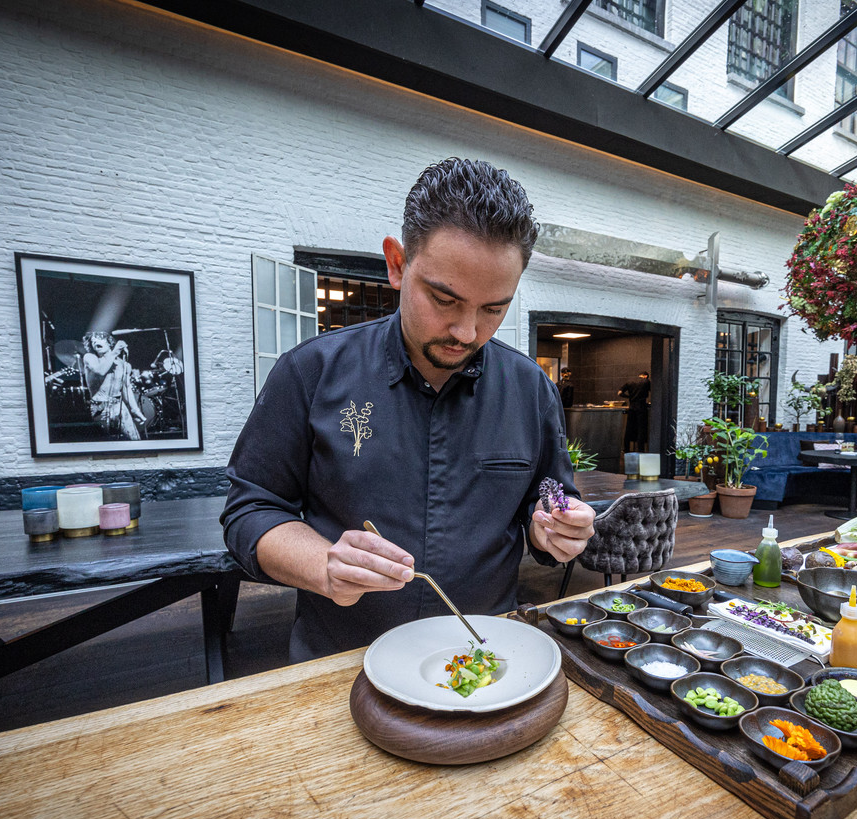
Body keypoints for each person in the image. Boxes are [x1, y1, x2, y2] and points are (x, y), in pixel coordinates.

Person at [221, 158, 596, 662]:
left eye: (493, 309)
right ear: (397, 265)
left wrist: (555, 531)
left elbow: (547, 507)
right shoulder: (311, 372)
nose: (467, 333)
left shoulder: (530, 389)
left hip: (487, 661)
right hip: (341, 659)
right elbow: (252, 509)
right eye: (445, 300)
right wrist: (323, 563)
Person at [81, 330, 145, 440]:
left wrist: (135, 409)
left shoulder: (124, 364)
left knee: (135, 440)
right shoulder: (90, 358)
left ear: (109, 342)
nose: (95, 341)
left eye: (100, 338)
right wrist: (115, 352)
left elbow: (126, 388)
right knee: (106, 442)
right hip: (99, 406)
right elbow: (100, 370)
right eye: (92, 341)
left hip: (119, 406)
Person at [618, 371, 650, 452]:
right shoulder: (646, 382)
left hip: (631, 408)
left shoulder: (630, 382)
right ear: (646, 376)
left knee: (628, 428)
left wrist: (629, 396)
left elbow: (619, 393)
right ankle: (640, 449)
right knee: (641, 429)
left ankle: (626, 449)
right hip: (641, 407)